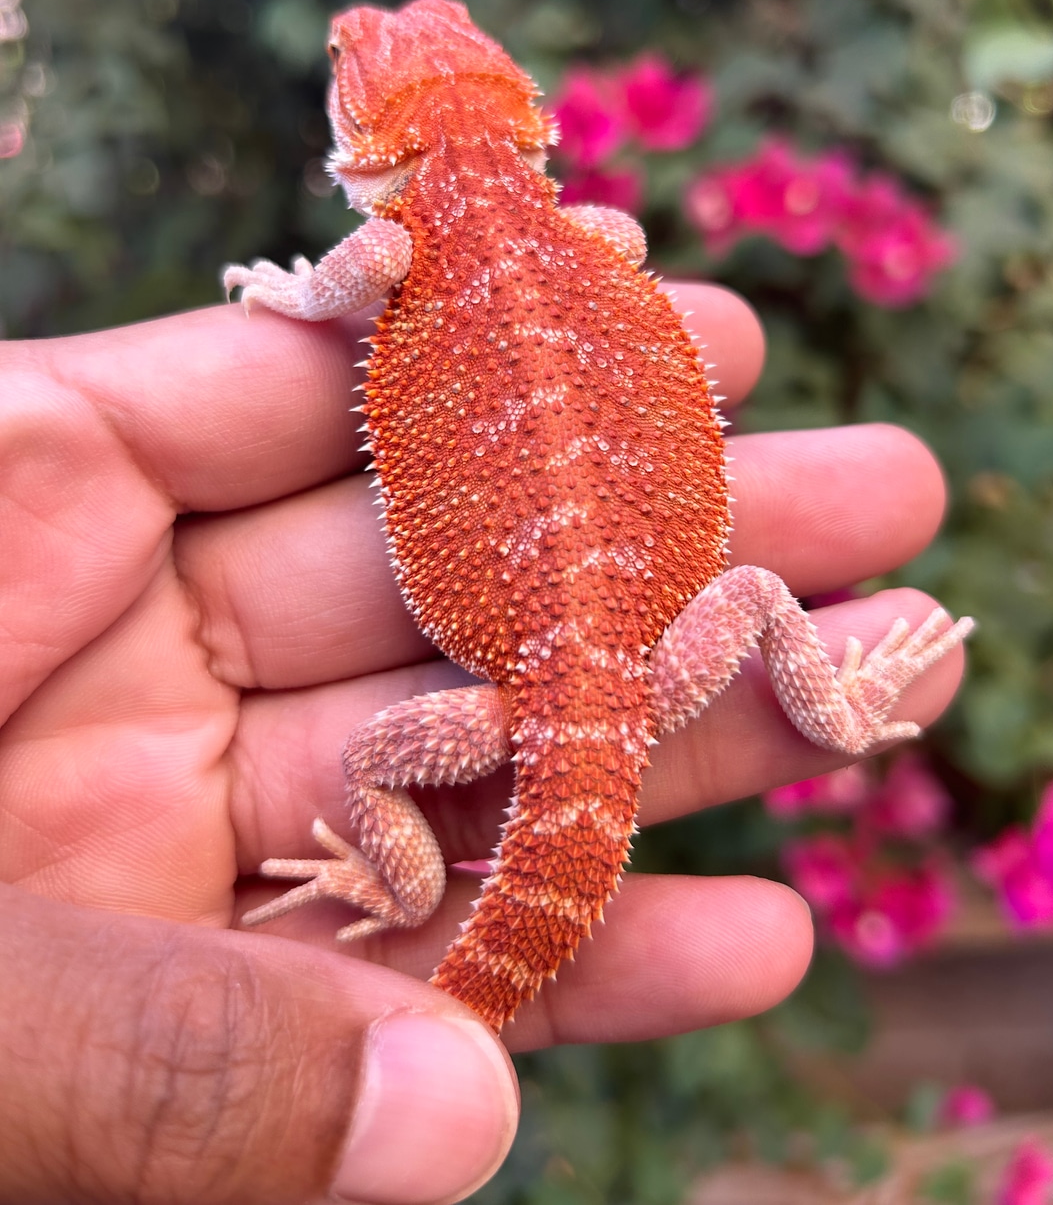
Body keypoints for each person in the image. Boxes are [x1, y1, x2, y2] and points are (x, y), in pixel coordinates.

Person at [0, 283, 966, 1205]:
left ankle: (406, 887)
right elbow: (616, 231)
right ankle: (833, 718)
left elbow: (366, 270)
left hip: (540, 697)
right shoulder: (567, 234)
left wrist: (304, 295)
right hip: (639, 681)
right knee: (754, 588)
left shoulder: (399, 245)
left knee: (373, 764)